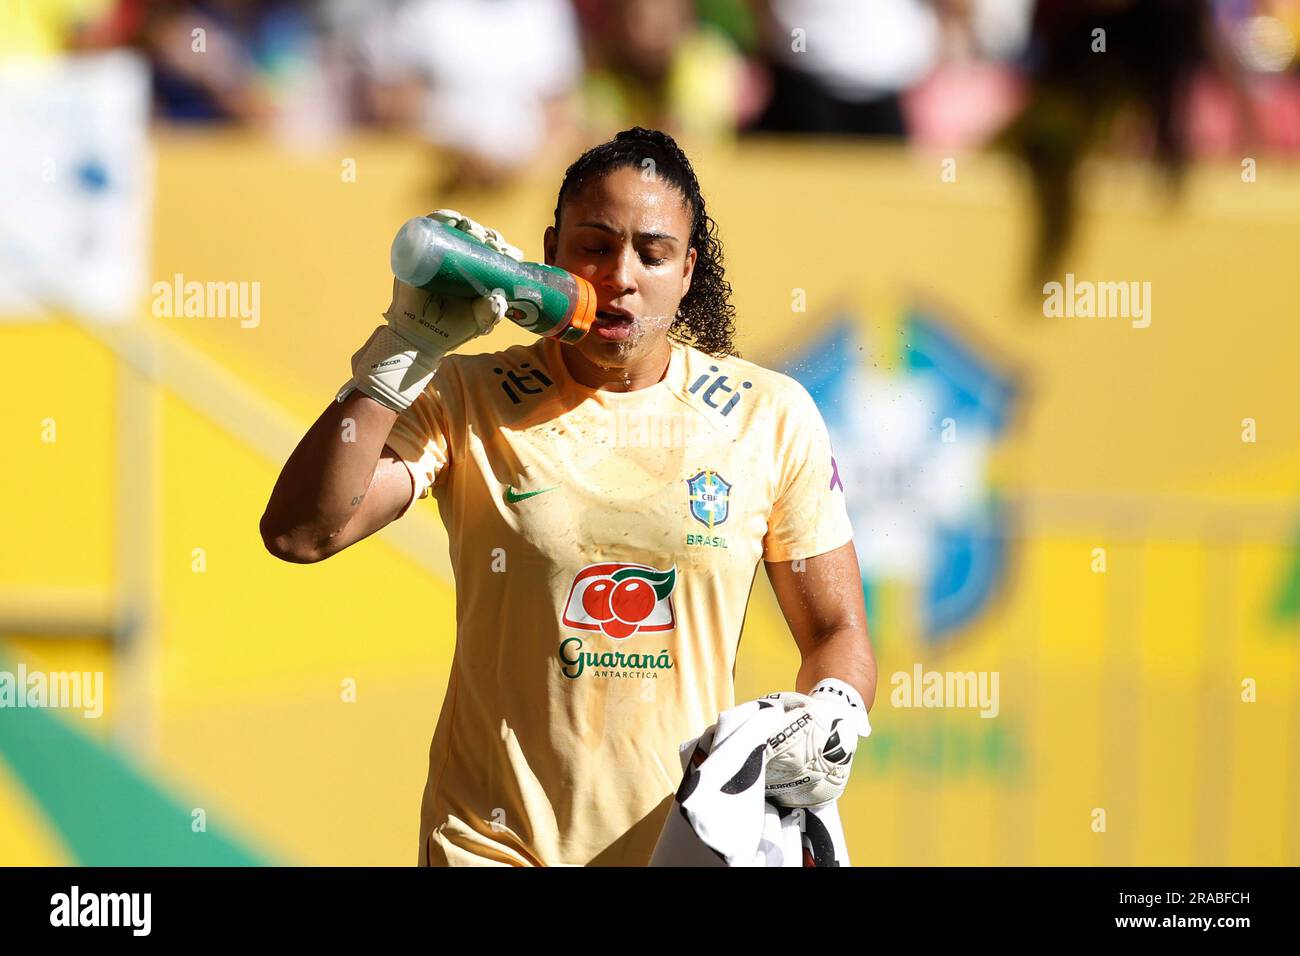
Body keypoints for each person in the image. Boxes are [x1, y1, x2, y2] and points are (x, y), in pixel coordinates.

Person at [259, 126, 876, 866]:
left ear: (687, 271)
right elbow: (302, 532)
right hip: (491, 844)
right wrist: (404, 349)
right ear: (550, 250)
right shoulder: (468, 395)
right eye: (594, 245)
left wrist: (832, 710)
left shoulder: (767, 415)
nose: (620, 275)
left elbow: (836, 628)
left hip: (682, 846)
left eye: (652, 253)